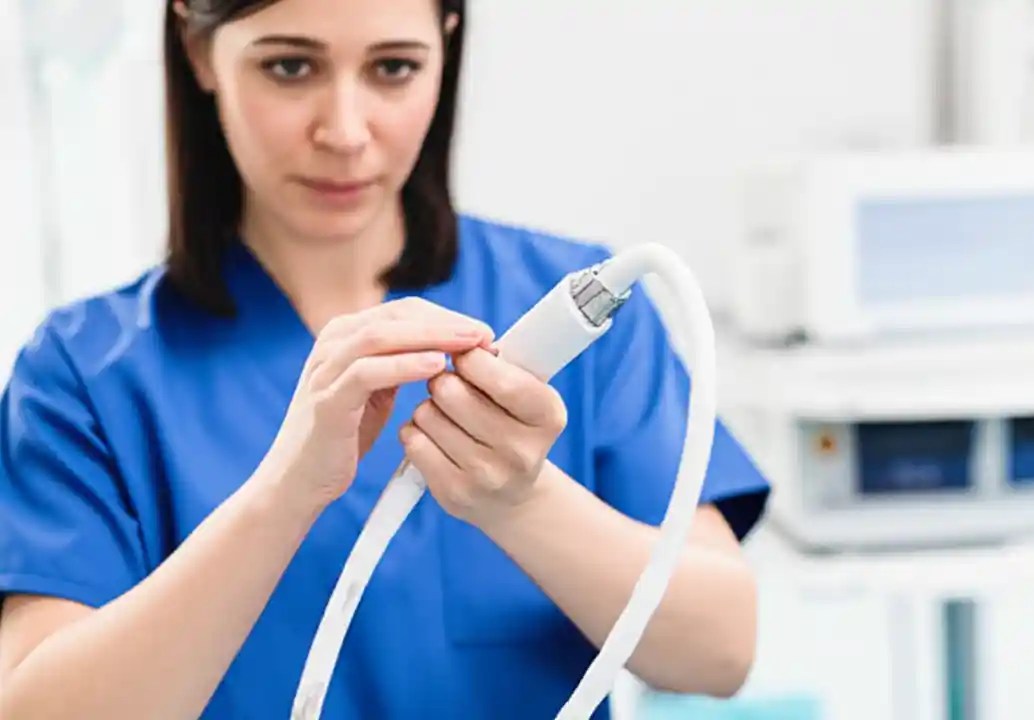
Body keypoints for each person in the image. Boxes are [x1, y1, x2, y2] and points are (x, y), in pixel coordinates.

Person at [0, 0, 771, 718]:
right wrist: (283, 495)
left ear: (446, 44)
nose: (344, 130)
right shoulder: (86, 374)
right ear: (199, 51)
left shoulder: (576, 317)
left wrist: (521, 502)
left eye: (393, 68)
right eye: (290, 68)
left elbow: (720, 651)